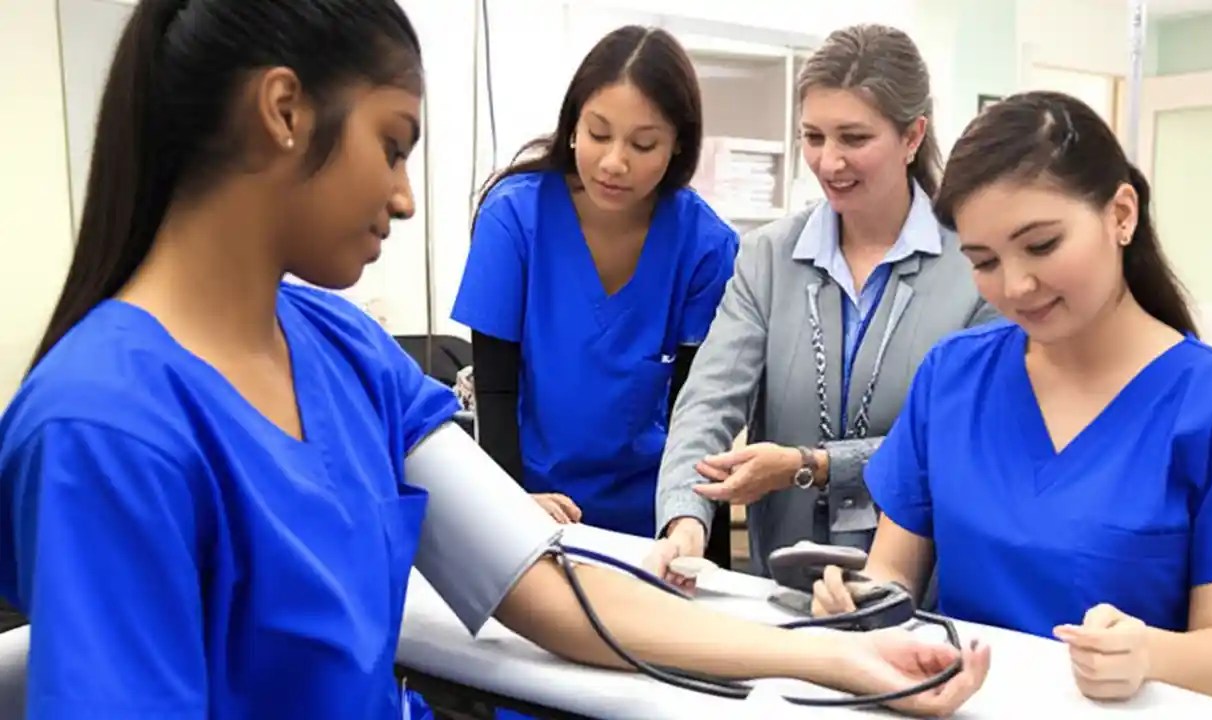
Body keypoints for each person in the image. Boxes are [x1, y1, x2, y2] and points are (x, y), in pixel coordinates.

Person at [0, 2, 990, 718]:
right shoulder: (107, 425)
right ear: (283, 111)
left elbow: (552, 593)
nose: (405, 198)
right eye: (392, 147)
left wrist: (830, 665)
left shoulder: (344, 354)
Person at [811, 90, 1212, 703]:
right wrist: (862, 601)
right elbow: (895, 570)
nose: (1016, 285)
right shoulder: (952, 377)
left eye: (1041, 246)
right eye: (983, 260)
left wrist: (1145, 654)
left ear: (1121, 214)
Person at [646, 24, 996, 587]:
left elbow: (959, 443)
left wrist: (814, 467)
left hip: (922, 599)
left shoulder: (976, 269)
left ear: (912, 136)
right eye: (813, 136)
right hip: (784, 589)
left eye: (854, 138)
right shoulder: (768, 256)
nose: (829, 161)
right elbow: (708, 403)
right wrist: (685, 522)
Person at [451, 25, 739, 549]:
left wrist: (700, 546)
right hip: (533, 512)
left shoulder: (704, 245)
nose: (614, 162)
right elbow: (495, 390)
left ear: (678, 145)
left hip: (652, 522)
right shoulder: (515, 217)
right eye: (599, 133)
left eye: (643, 143)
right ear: (572, 125)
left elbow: (698, 414)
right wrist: (508, 504)